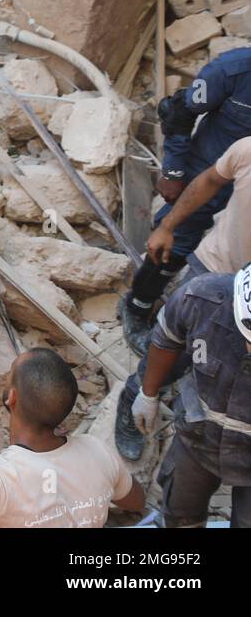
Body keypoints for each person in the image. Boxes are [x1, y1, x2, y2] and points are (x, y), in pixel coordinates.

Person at [118, 135, 251, 459]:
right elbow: (209, 180)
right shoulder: (248, 150)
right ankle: (133, 404)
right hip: (214, 269)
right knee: (170, 353)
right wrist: (169, 226)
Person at [120, 47, 251, 354]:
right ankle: (139, 307)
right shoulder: (233, 70)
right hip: (207, 171)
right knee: (173, 241)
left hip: (246, 182)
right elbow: (178, 109)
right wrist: (175, 169)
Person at [0, 348, 144, 527]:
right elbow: (137, 500)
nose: (7, 377)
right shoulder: (98, 452)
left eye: (10, 373)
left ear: (12, 397)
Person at [127, 263, 251, 527]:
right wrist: (148, 394)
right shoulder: (202, 297)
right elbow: (166, 340)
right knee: (180, 515)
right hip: (197, 436)